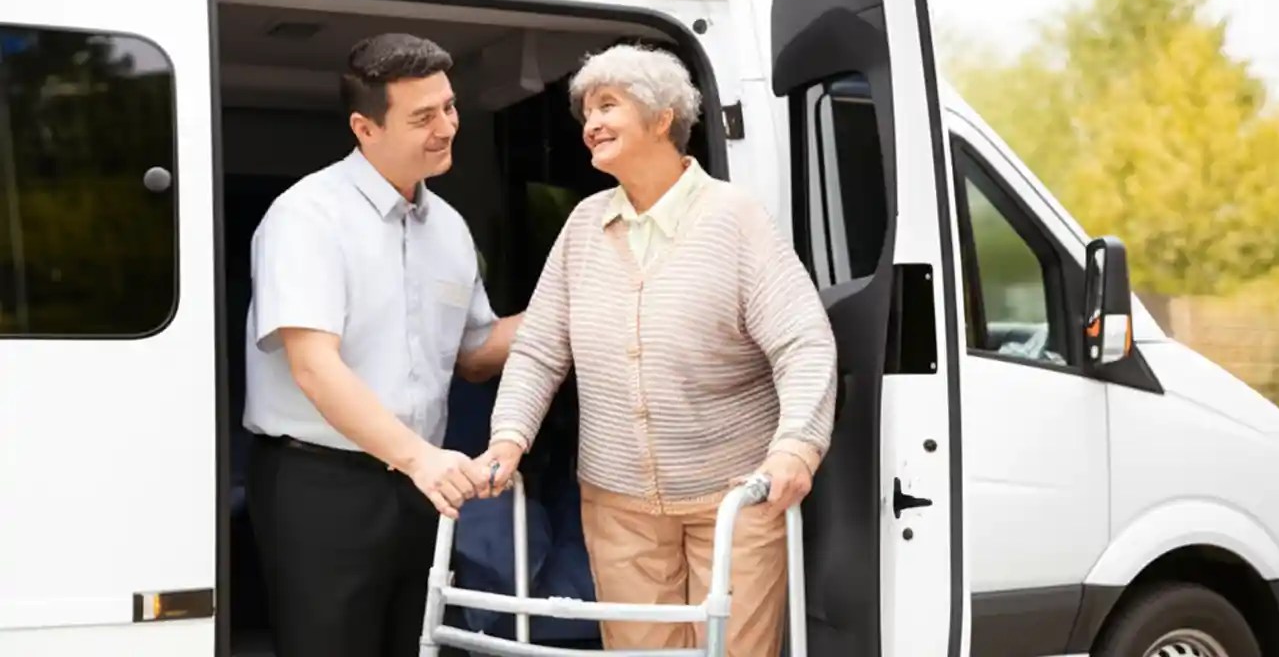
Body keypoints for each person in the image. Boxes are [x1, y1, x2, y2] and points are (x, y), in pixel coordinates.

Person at [475, 43, 837, 656]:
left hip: (733, 497)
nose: (590, 124)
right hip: (618, 503)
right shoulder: (584, 227)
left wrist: (797, 447)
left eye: (607, 106)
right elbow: (538, 349)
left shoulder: (734, 218)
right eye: (587, 111)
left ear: (663, 116)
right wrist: (508, 437)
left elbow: (804, 342)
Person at [243, 32, 521, 657]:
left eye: (448, 107)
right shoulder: (307, 216)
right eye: (423, 117)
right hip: (321, 484)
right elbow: (314, 367)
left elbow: (475, 354)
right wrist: (423, 459)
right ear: (365, 129)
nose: (447, 126)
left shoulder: (449, 227)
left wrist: (575, 307)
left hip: (420, 485)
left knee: (415, 646)